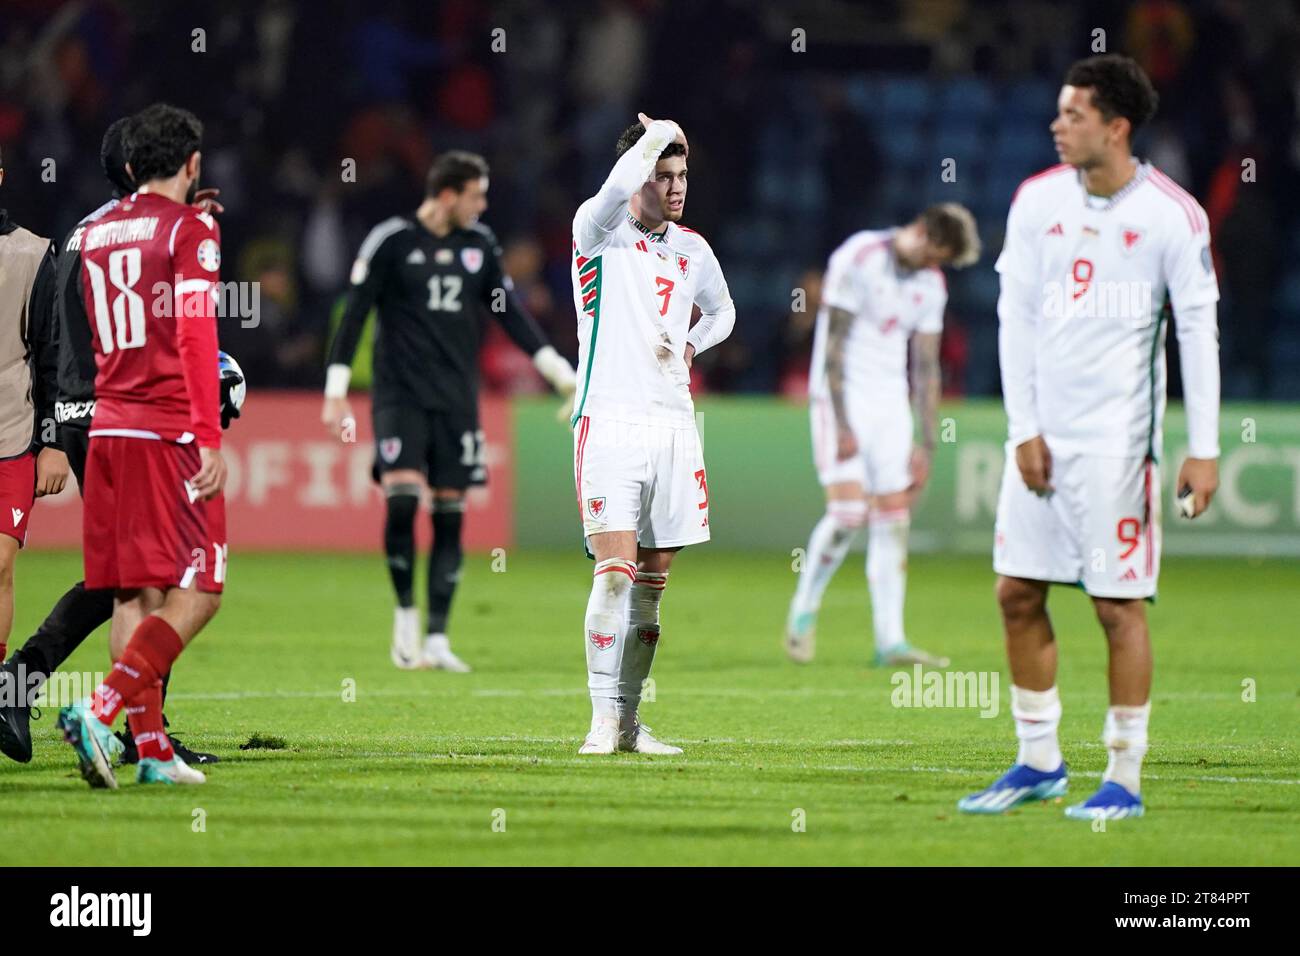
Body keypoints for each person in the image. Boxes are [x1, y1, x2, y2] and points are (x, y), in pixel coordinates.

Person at [959, 55, 1220, 820]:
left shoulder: (1172, 215)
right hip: (1045, 439)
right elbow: (1017, 316)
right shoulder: (1036, 201)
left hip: (1117, 447)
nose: (1056, 125)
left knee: (1116, 607)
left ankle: (1125, 777)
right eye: (1059, 111)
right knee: (1016, 594)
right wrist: (1023, 426)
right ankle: (1038, 761)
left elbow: (1198, 331)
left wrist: (1202, 445)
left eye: (1073, 114)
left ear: (1116, 126)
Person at [0, 119, 224, 766]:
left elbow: (54, 329)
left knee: (126, 575)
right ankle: (105, 719)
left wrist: (56, 422)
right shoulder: (159, 233)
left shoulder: (84, 232)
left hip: (85, 411)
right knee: (154, 574)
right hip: (124, 412)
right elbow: (164, 332)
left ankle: (101, 718)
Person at [322, 151, 576, 672]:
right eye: (476, 195)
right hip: (400, 396)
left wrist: (558, 371)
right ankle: (405, 615)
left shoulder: (478, 247)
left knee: (450, 513)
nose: (483, 206)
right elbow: (356, 315)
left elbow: (510, 313)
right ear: (447, 194)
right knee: (401, 500)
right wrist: (336, 388)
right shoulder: (391, 242)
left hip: (457, 400)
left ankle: (438, 636)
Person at [57, 103, 229, 787]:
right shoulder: (191, 231)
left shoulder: (94, 229)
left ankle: (151, 750)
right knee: (203, 587)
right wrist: (208, 433)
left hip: (109, 425)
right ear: (192, 165)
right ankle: (100, 711)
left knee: (136, 591)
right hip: (167, 429)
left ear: (130, 166)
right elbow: (193, 333)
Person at [570, 114, 735, 755]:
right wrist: (658, 133)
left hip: (673, 426)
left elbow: (724, 312)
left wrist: (691, 345)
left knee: (651, 585)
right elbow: (614, 188)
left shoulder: (693, 249)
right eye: (663, 174)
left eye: (682, 175)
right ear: (639, 173)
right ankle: (601, 722)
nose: (676, 187)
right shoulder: (597, 234)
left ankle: (632, 724)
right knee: (612, 573)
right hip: (609, 421)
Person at [785, 205, 981, 667]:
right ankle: (805, 607)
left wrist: (926, 443)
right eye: (939, 255)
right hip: (842, 397)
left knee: (894, 520)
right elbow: (832, 345)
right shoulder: (860, 256)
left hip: (891, 405)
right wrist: (843, 423)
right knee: (849, 513)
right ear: (924, 233)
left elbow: (927, 366)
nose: (938, 268)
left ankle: (890, 640)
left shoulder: (931, 284)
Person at [0, 146, 64, 671]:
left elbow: (51, 357)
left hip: (11, 438)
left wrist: (53, 442)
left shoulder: (35, 254)